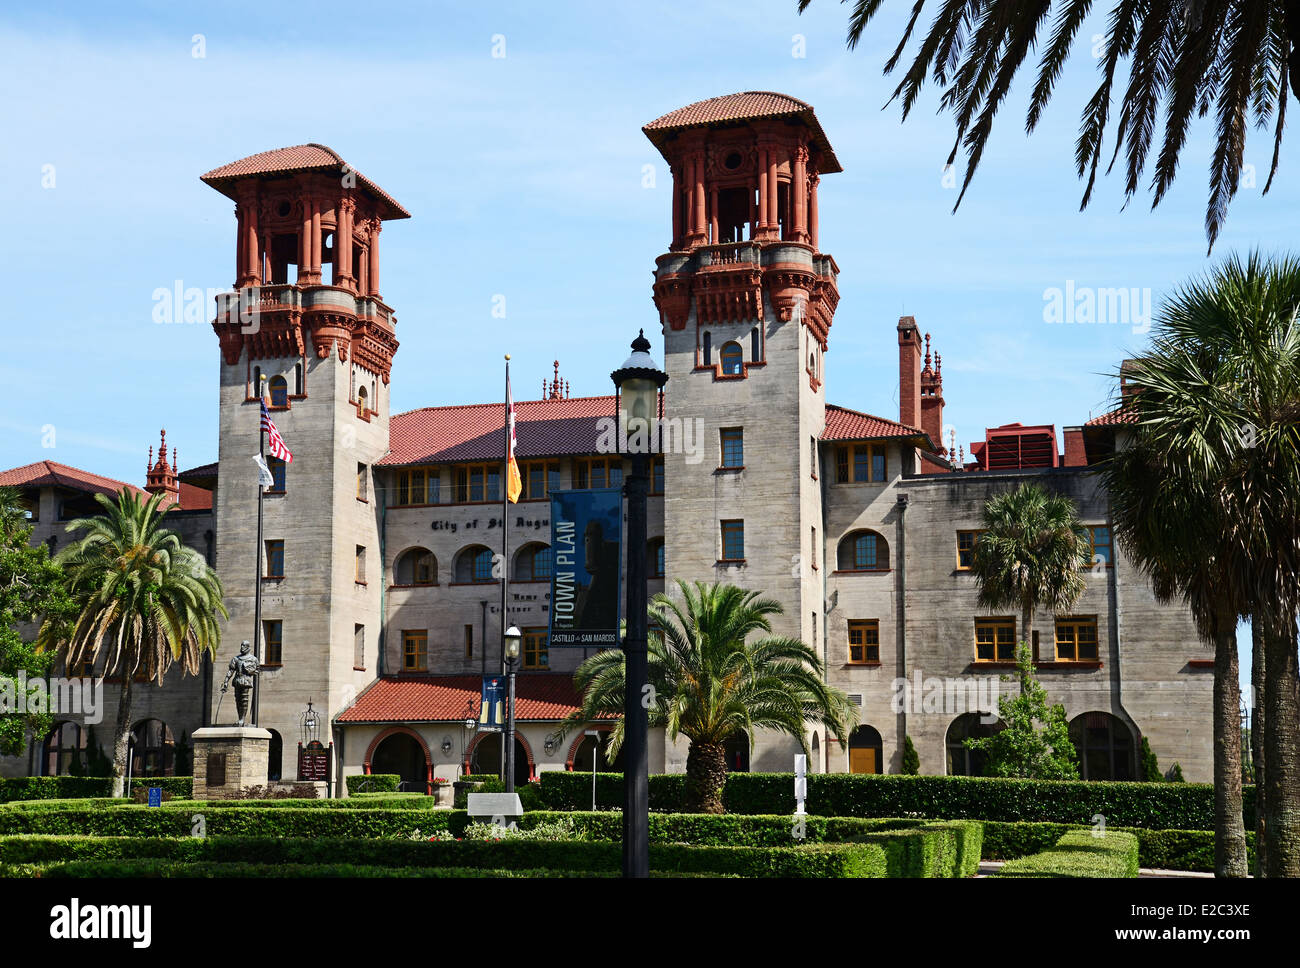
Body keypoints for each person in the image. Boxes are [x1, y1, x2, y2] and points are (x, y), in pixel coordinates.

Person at [221, 640, 259, 726]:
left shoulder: (253, 659)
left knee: (244, 699)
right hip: (237, 681)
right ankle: (240, 718)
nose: (242, 647)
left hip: (245, 681)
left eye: (244, 646)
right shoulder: (236, 658)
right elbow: (231, 671)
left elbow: (257, 669)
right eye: (241, 645)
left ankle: (242, 719)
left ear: (248, 647)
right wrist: (226, 682)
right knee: (238, 700)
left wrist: (250, 671)